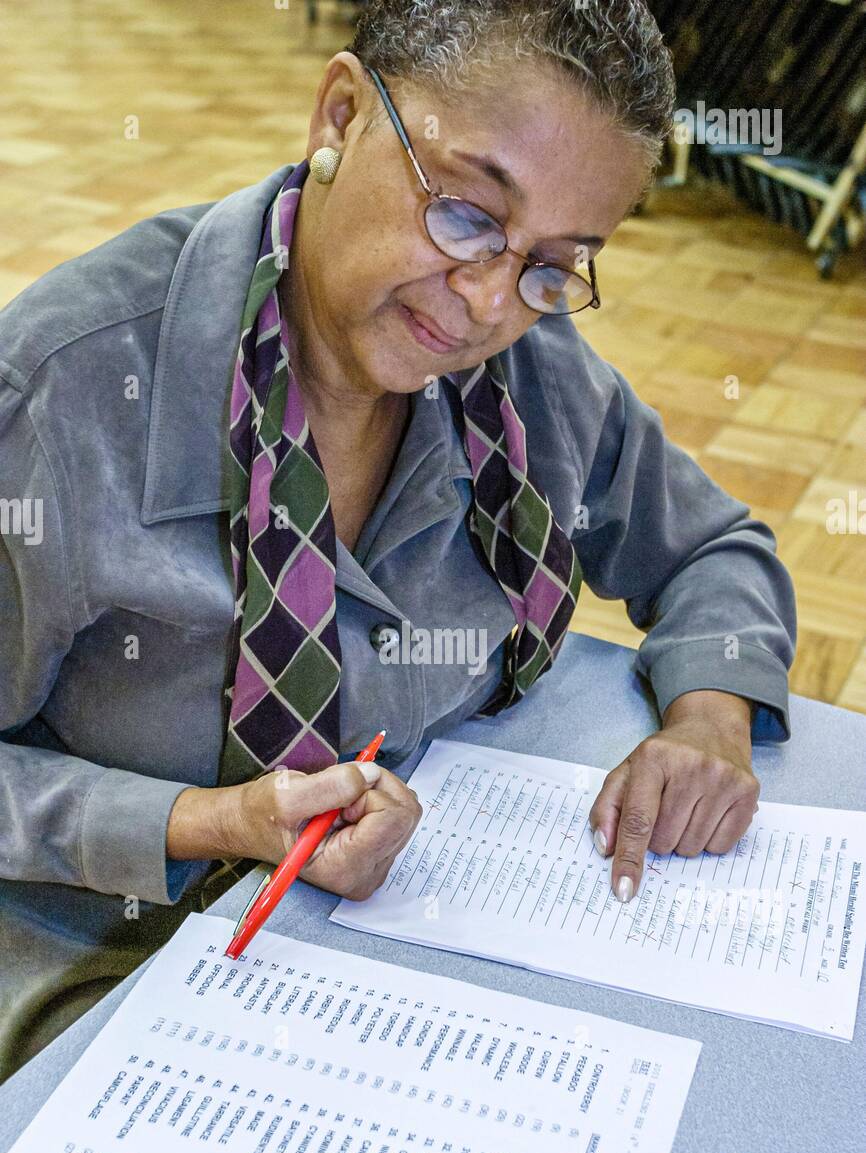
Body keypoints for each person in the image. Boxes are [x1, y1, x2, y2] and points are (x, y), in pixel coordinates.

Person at [0, 0, 796, 1079]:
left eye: (554, 264)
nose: (486, 305)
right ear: (337, 116)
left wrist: (709, 720)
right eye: (466, 213)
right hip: (97, 959)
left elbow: (712, 549)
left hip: (406, 949)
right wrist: (203, 819)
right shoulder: (68, 394)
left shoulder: (532, 380)